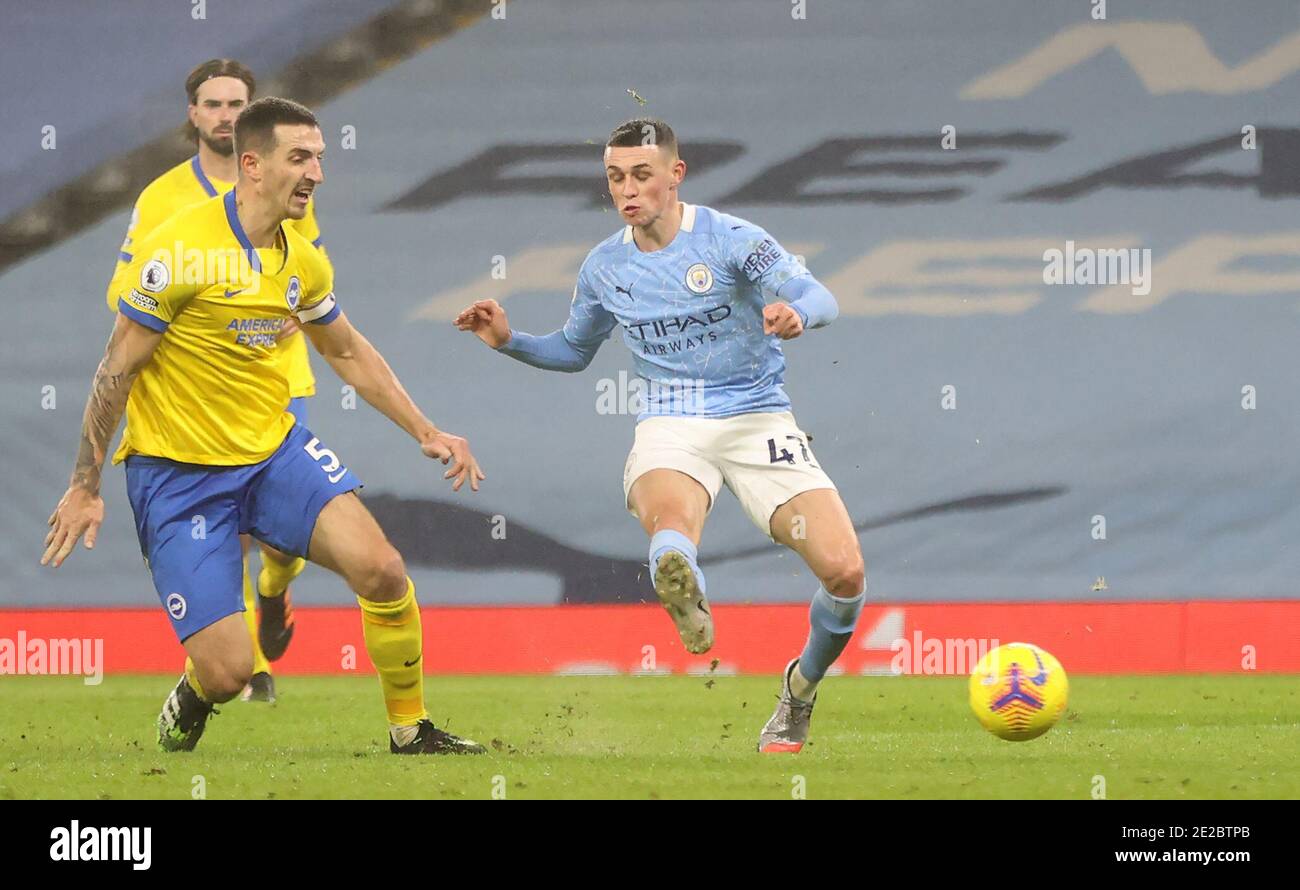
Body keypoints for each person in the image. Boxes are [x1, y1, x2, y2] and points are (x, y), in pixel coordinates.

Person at [48, 97, 487, 755]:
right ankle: (195, 692)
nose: (317, 172)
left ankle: (409, 730)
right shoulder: (180, 249)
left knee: (384, 570)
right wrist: (85, 484)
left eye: (319, 158)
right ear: (252, 165)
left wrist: (424, 428)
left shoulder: (302, 259)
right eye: (300, 157)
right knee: (229, 673)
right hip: (178, 474)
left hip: (273, 454)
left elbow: (345, 350)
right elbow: (115, 371)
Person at [455, 118, 865, 753]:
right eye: (616, 176)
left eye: (642, 174)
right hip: (671, 420)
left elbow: (819, 294)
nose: (627, 189)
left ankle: (799, 689)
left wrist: (797, 312)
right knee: (672, 515)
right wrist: (509, 341)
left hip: (758, 417)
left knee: (844, 572)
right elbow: (572, 350)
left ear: (676, 175)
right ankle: (680, 581)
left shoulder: (732, 241)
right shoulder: (604, 267)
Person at [107, 59, 327, 702]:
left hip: (279, 378)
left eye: (237, 104)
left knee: (281, 534)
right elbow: (125, 290)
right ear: (194, 115)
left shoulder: (290, 184)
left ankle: (275, 588)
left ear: (252, 117)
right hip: (199, 391)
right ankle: (249, 663)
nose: (226, 114)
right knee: (221, 524)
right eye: (213, 104)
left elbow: (307, 273)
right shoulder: (162, 200)